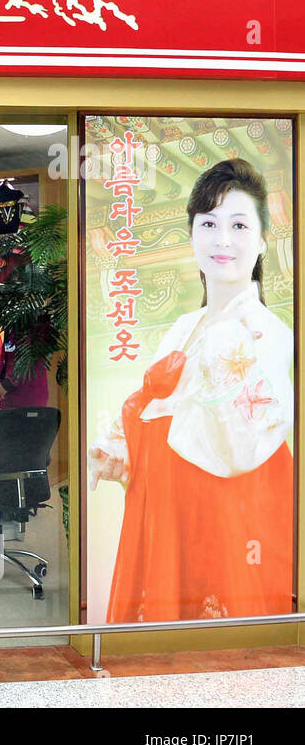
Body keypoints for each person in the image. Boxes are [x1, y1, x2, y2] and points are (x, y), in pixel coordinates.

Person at [89, 159, 294, 622]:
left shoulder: (270, 331)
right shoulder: (185, 326)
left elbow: (250, 442)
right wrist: (115, 446)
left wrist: (219, 363)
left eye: (240, 224)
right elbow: (156, 406)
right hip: (166, 504)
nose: (223, 239)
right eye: (209, 224)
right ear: (193, 237)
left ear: (263, 239)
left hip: (227, 513)